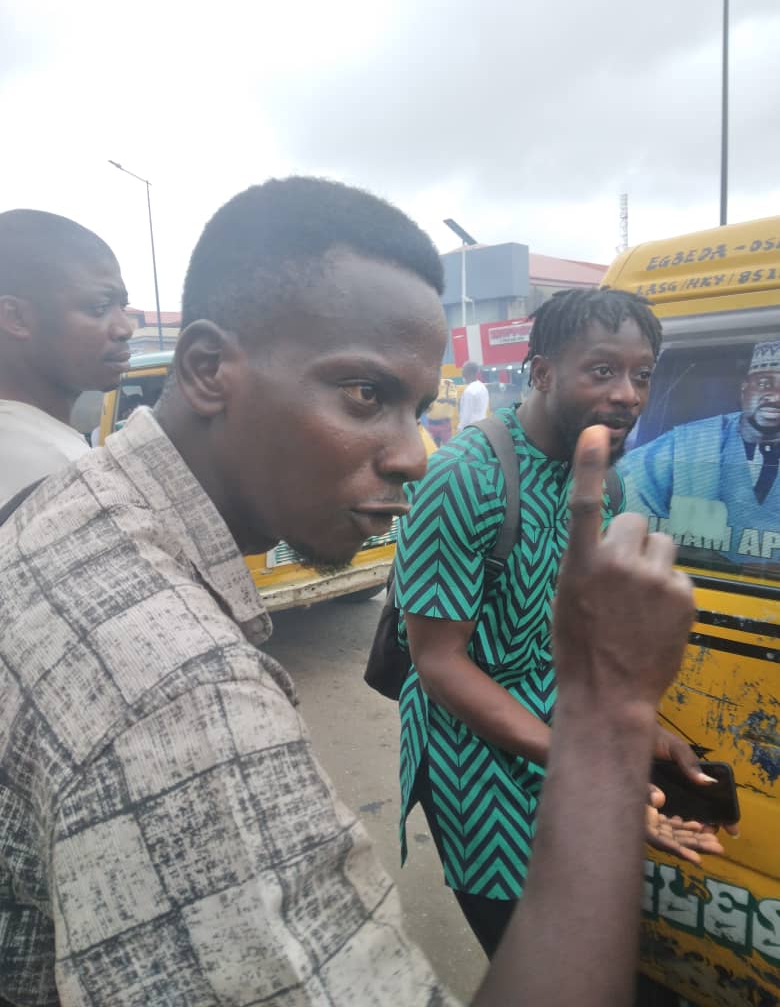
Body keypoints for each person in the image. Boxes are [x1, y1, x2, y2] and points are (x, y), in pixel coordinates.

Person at [0, 179, 703, 1007]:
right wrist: (609, 728)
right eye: (365, 394)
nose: (412, 453)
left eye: (416, 404)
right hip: (490, 787)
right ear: (205, 368)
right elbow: (439, 664)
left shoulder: (71, 509)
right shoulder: (187, 697)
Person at [394, 287, 725, 959]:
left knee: (587, 932)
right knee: (532, 951)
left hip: (563, 736)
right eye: (602, 371)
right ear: (542, 372)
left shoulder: (607, 481)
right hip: (476, 761)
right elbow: (438, 663)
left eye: (641, 374)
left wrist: (636, 728)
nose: (629, 394)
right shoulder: (467, 476)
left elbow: (580, 644)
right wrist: (583, 761)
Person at [0, 209, 134, 506]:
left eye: (123, 306)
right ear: (16, 317)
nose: (124, 328)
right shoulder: (59, 472)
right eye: (99, 307)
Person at [619, 339, 780, 567]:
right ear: (744, 388)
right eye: (764, 384)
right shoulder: (692, 441)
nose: (775, 396)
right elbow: (625, 488)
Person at [457, 359, 489, 431]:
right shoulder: (482, 387)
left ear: (468, 373)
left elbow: (466, 415)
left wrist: (460, 429)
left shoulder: (469, 391)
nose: (462, 374)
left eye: (463, 371)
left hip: (471, 430)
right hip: (482, 427)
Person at [426, 377, 458, 446]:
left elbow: (454, 401)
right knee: (434, 448)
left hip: (444, 424)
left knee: (448, 448)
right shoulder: (428, 386)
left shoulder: (448, 384)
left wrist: (445, 400)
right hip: (431, 423)